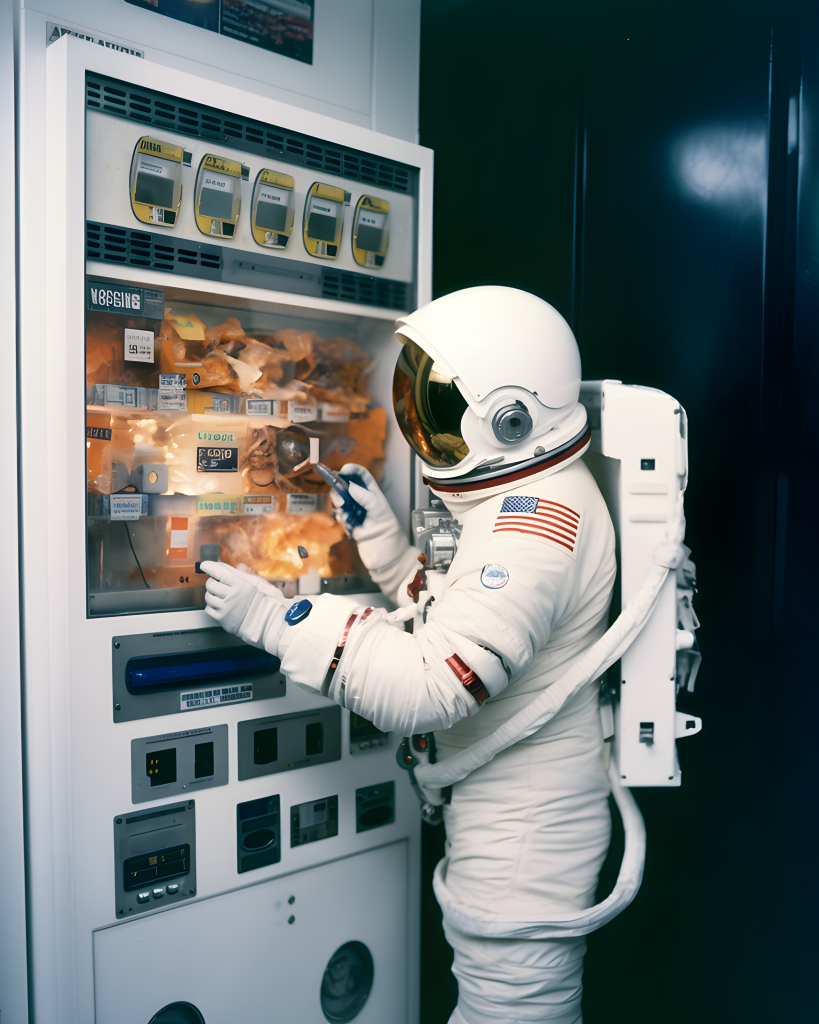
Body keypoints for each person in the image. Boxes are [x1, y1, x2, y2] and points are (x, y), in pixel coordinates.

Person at [202, 286, 616, 1024]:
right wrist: (387, 547)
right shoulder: (530, 499)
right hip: (515, 804)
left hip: (525, 824)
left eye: (442, 409)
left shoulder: (537, 528)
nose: (424, 425)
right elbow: (464, 618)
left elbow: (431, 684)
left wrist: (275, 618)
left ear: (509, 419)